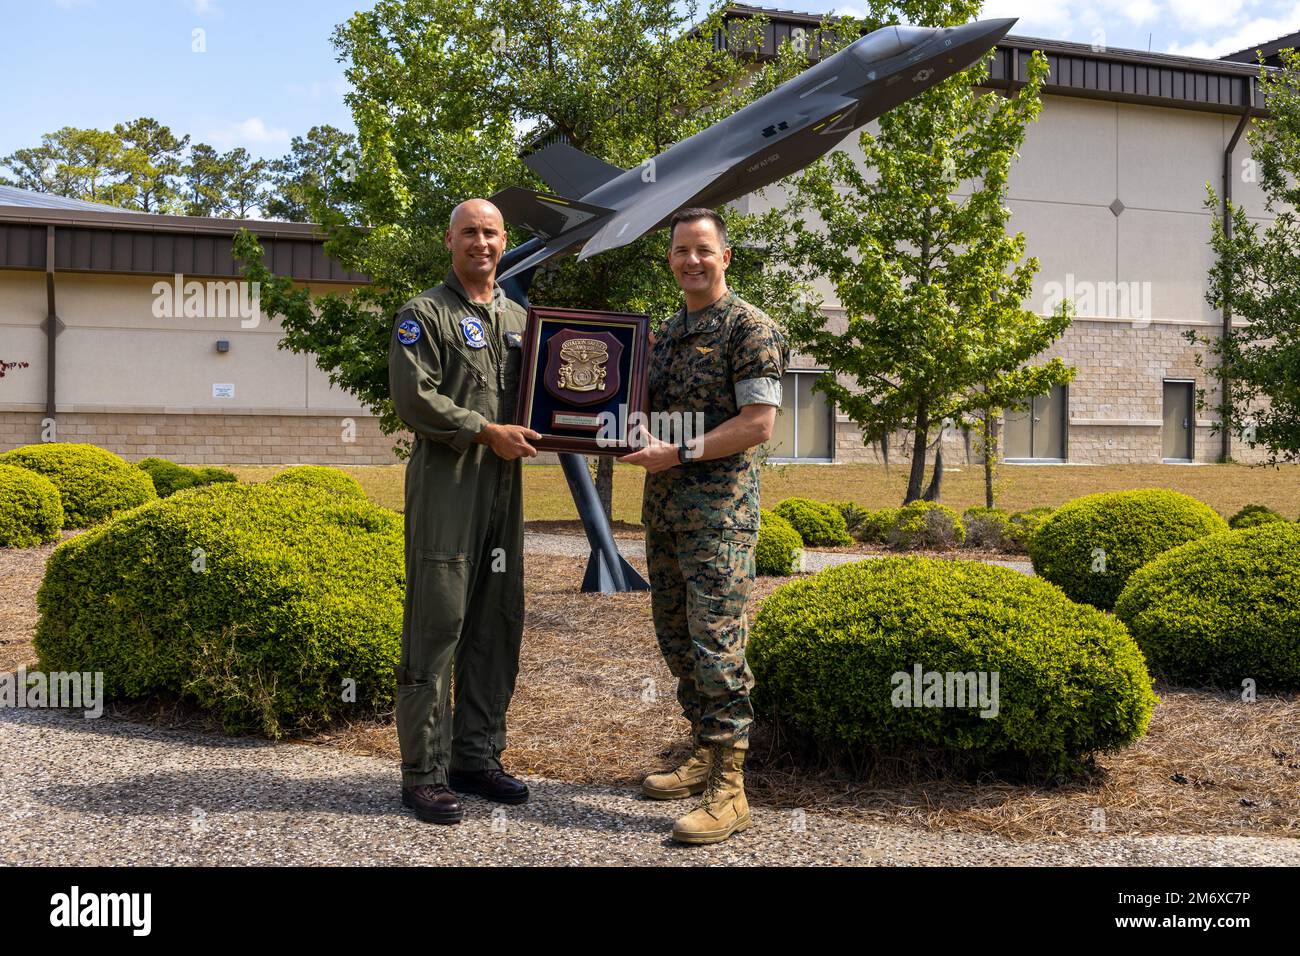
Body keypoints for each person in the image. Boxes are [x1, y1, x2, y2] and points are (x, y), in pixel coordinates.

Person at [619, 207, 789, 845]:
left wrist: (679, 452)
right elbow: (638, 413)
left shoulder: (751, 330)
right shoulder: (662, 335)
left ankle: (731, 788)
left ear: (725, 257)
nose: (692, 260)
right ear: (670, 261)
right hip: (664, 513)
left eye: (703, 249)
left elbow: (758, 423)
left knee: (717, 649)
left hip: (719, 518)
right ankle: (701, 751)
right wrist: (592, 426)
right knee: (676, 641)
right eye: (681, 251)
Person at [387, 198, 542, 824]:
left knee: (496, 621)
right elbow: (413, 397)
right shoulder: (423, 314)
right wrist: (484, 430)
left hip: (505, 486)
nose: (481, 243)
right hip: (450, 481)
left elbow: (550, 392)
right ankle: (424, 771)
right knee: (439, 621)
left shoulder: (521, 316)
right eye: (470, 232)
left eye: (491, 233)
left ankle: (476, 758)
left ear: (505, 242)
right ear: (449, 239)